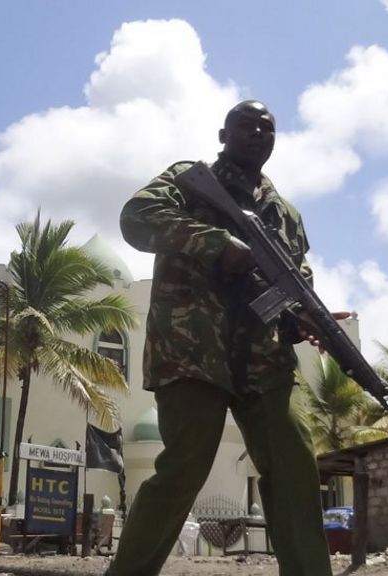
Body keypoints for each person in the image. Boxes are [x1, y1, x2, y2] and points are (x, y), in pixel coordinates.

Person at [108, 100, 335, 576]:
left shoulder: (286, 215)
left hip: (265, 358)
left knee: (295, 462)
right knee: (184, 469)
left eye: (267, 127)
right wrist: (216, 244)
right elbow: (137, 217)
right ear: (222, 134)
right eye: (246, 124)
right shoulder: (187, 181)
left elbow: (297, 281)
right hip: (192, 349)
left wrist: (304, 317)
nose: (257, 132)